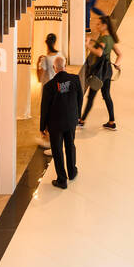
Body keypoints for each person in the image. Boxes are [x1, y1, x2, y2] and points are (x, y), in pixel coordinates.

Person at [39, 53, 83, 189]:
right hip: (70, 120)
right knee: (70, 145)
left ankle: (62, 180)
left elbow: (44, 108)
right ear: (65, 65)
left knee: (57, 150)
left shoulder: (49, 86)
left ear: (54, 67)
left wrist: (43, 126)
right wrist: (77, 115)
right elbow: (80, 98)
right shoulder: (75, 79)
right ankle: (72, 171)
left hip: (55, 124)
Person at [79, 14, 118, 129]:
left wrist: (88, 46)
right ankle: (112, 121)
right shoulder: (110, 37)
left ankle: (82, 120)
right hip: (107, 71)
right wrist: (117, 64)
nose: (97, 26)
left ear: (105, 26)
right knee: (106, 95)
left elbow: (100, 52)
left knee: (91, 97)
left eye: (99, 24)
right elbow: (119, 53)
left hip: (99, 72)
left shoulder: (103, 39)